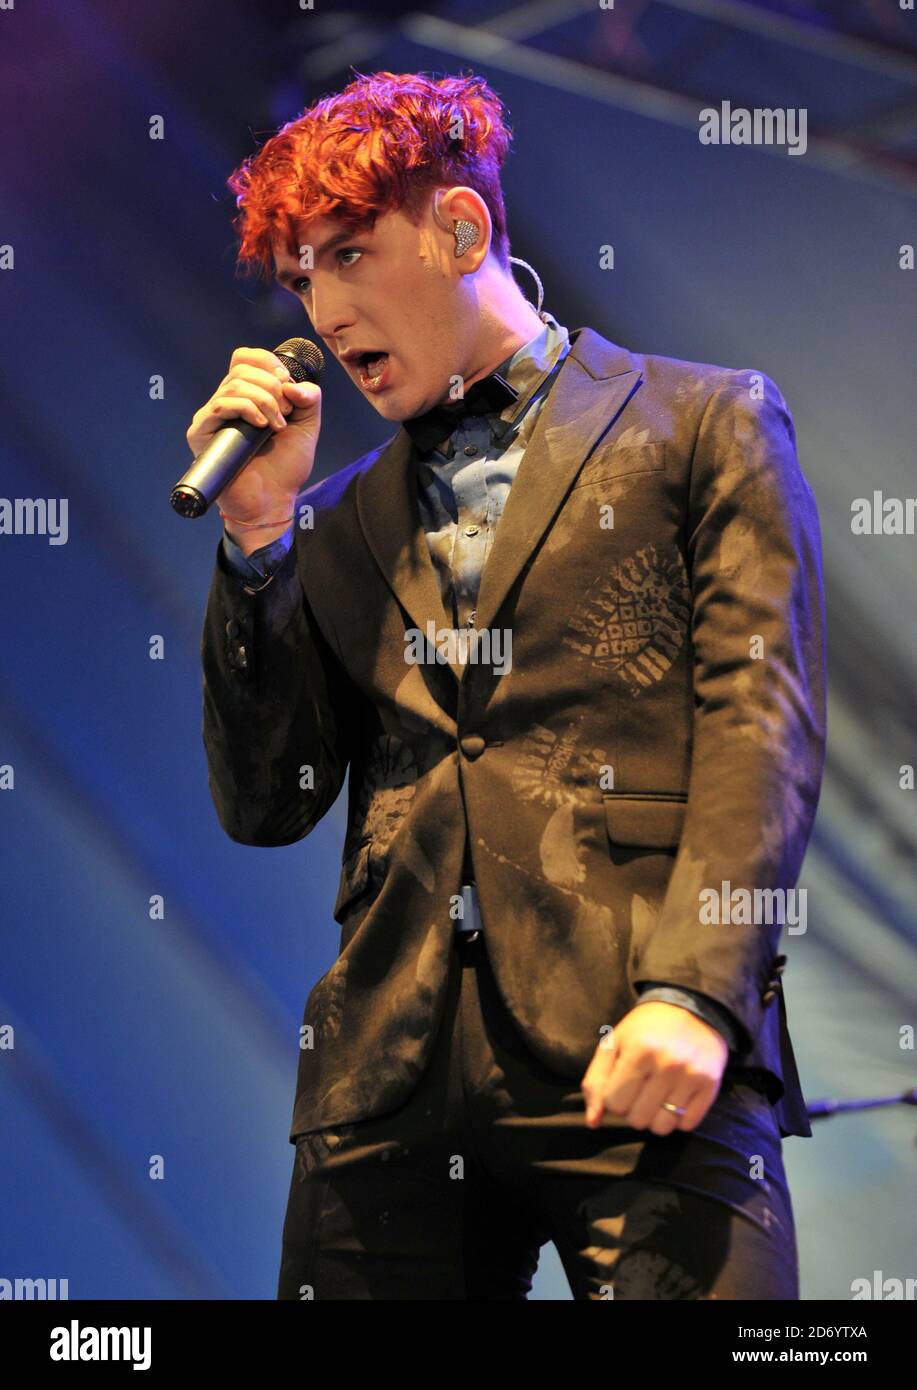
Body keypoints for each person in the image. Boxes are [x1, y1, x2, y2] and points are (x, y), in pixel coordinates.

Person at [189, 71, 826, 1300]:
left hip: (642, 1043)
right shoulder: (332, 519)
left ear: (462, 231)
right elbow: (267, 801)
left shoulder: (703, 423)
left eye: (350, 253)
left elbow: (762, 728)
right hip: (384, 1077)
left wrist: (696, 994)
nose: (322, 307)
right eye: (300, 276)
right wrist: (259, 540)